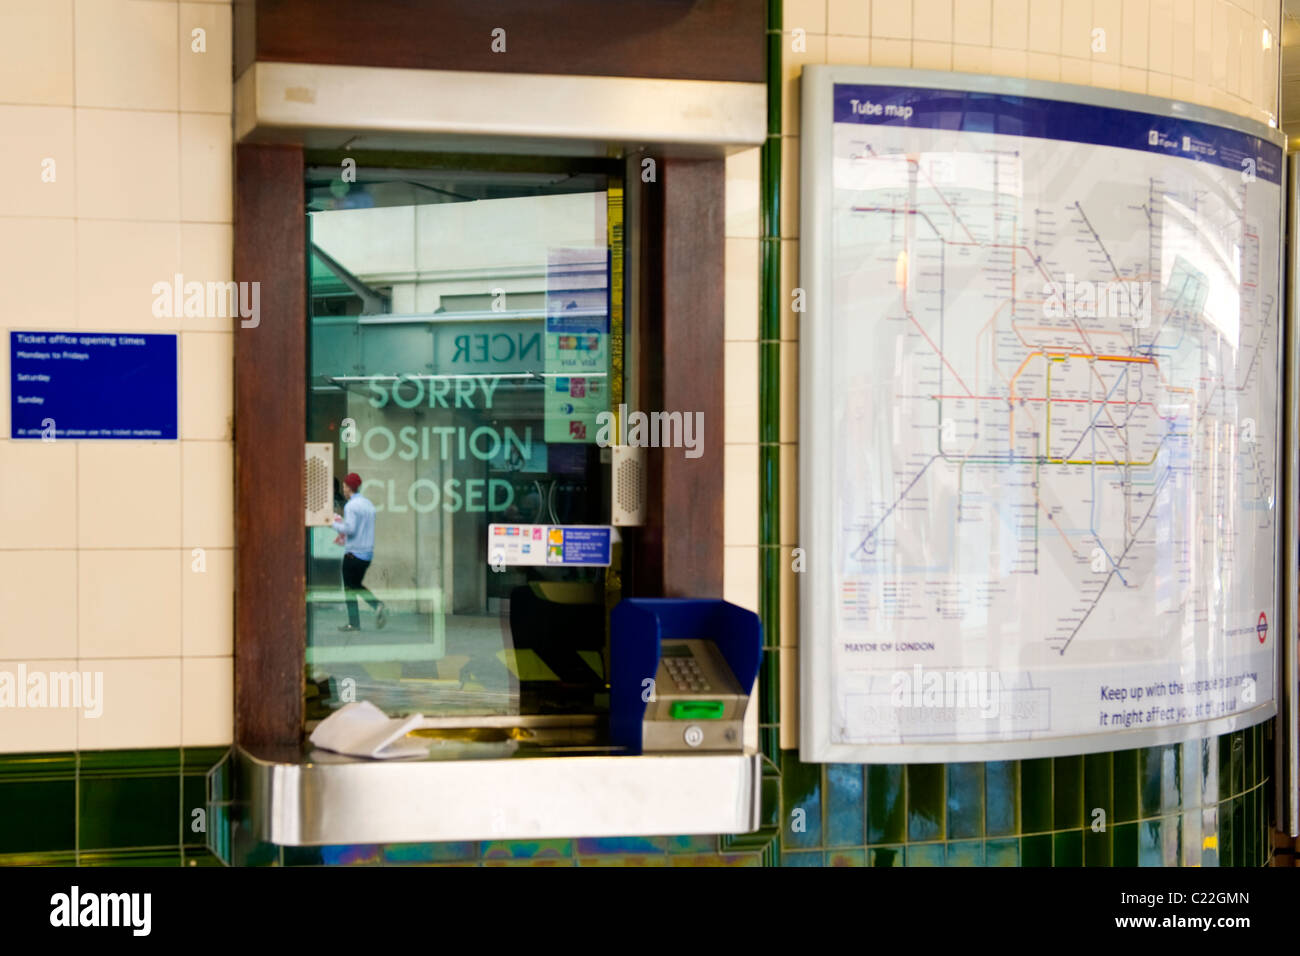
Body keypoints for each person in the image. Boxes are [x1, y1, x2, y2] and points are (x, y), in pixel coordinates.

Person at [331, 472, 387, 632]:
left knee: (350, 589)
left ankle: (355, 622)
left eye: (344, 486)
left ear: (349, 487)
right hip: (367, 554)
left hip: (353, 553)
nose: (343, 488)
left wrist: (333, 524)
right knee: (355, 585)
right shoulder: (368, 504)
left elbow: (351, 529)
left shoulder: (351, 506)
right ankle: (376, 605)